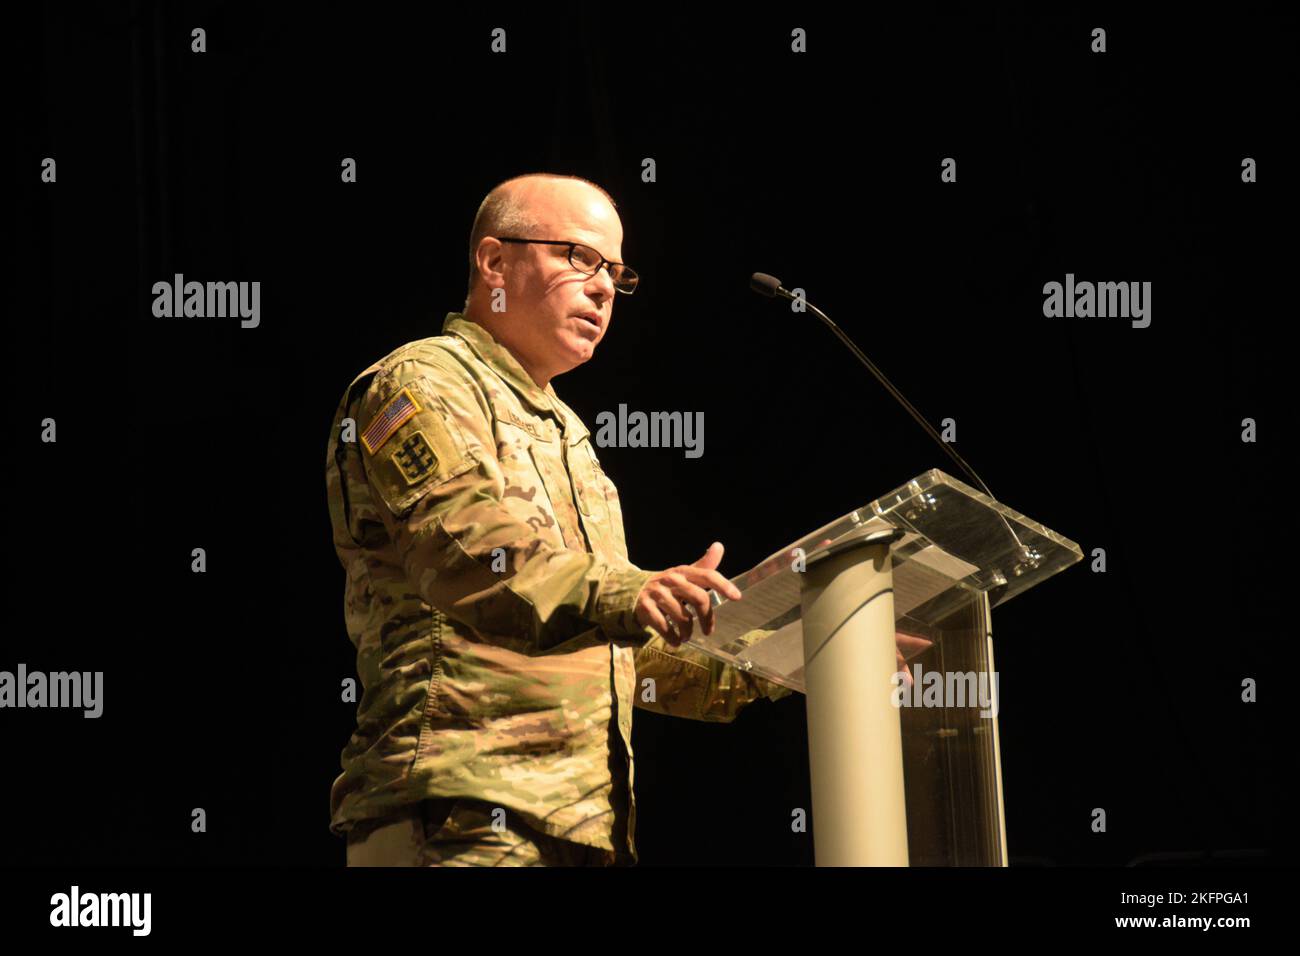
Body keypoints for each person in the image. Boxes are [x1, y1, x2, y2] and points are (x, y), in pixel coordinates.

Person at [325, 172, 793, 867]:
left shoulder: (568, 433)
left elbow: (628, 652)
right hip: (461, 815)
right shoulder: (418, 383)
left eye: (617, 272)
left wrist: (797, 652)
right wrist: (631, 591)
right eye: (580, 258)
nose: (605, 288)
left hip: (585, 831)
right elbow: (468, 554)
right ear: (494, 263)